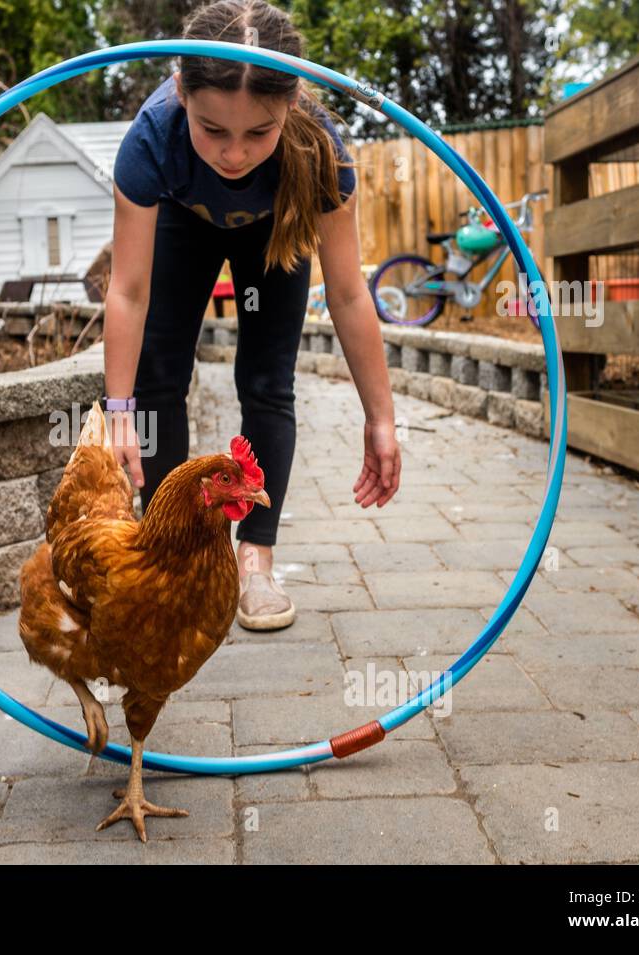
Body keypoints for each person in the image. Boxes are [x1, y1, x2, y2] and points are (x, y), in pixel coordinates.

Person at [104, 0, 401, 631]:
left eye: (257, 133)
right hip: (184, 224)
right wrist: (118, 414)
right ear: (181, 93)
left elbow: (349, 296)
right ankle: (172, 559)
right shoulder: (152, 139)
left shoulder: (319, 150)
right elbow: (127, 292)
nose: (234, 154)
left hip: (274, 230)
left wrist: (381, 417)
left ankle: (255, 562)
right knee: (158, 379)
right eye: (213, 130)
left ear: (290, 106)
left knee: (267, 382)